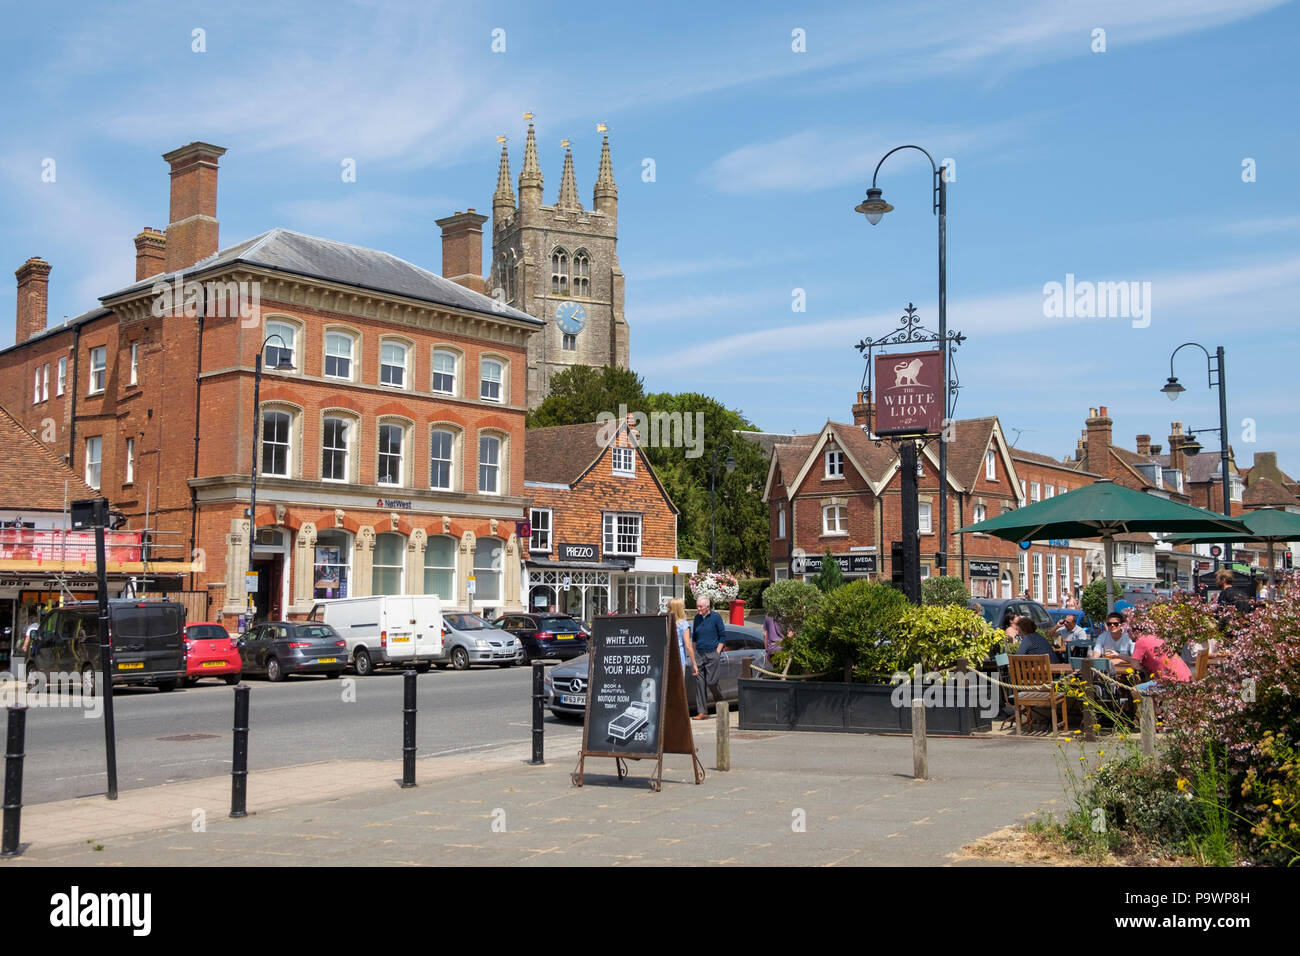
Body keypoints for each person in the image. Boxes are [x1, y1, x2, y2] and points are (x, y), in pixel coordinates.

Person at [691, 597, 728, 719]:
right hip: (699, 654)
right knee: (700, 683)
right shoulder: (697, 618)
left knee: (712, 682)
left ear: (707, 607)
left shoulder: (716, 617)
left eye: (700, 607)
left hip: (712, 653)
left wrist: (717, 652)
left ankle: (721, 704)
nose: (698, 609)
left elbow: (722, 636)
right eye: (697, 606)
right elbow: (694, 637)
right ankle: (702, 711)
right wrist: (693, 654)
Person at [667, 598, 702, 716]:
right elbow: (688, 646)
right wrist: (694, 663)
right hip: (679, 660)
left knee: (668, 689)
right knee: (678, 689)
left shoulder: (666, 622)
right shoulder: (683, 625)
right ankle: (678, 715)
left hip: (666, 660)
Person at [1131, 628, 1191, 692]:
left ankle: (1140, 702)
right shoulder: (1156, 638)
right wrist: (1119, 656)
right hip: (1186, 679)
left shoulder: (1141, 641)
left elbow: (1134, 665)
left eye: (1128, 632)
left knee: (1135, 690)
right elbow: (1134, 659)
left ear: (1137, 632)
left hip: (1171, 683)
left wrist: (1144, 670)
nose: (1128, 635)